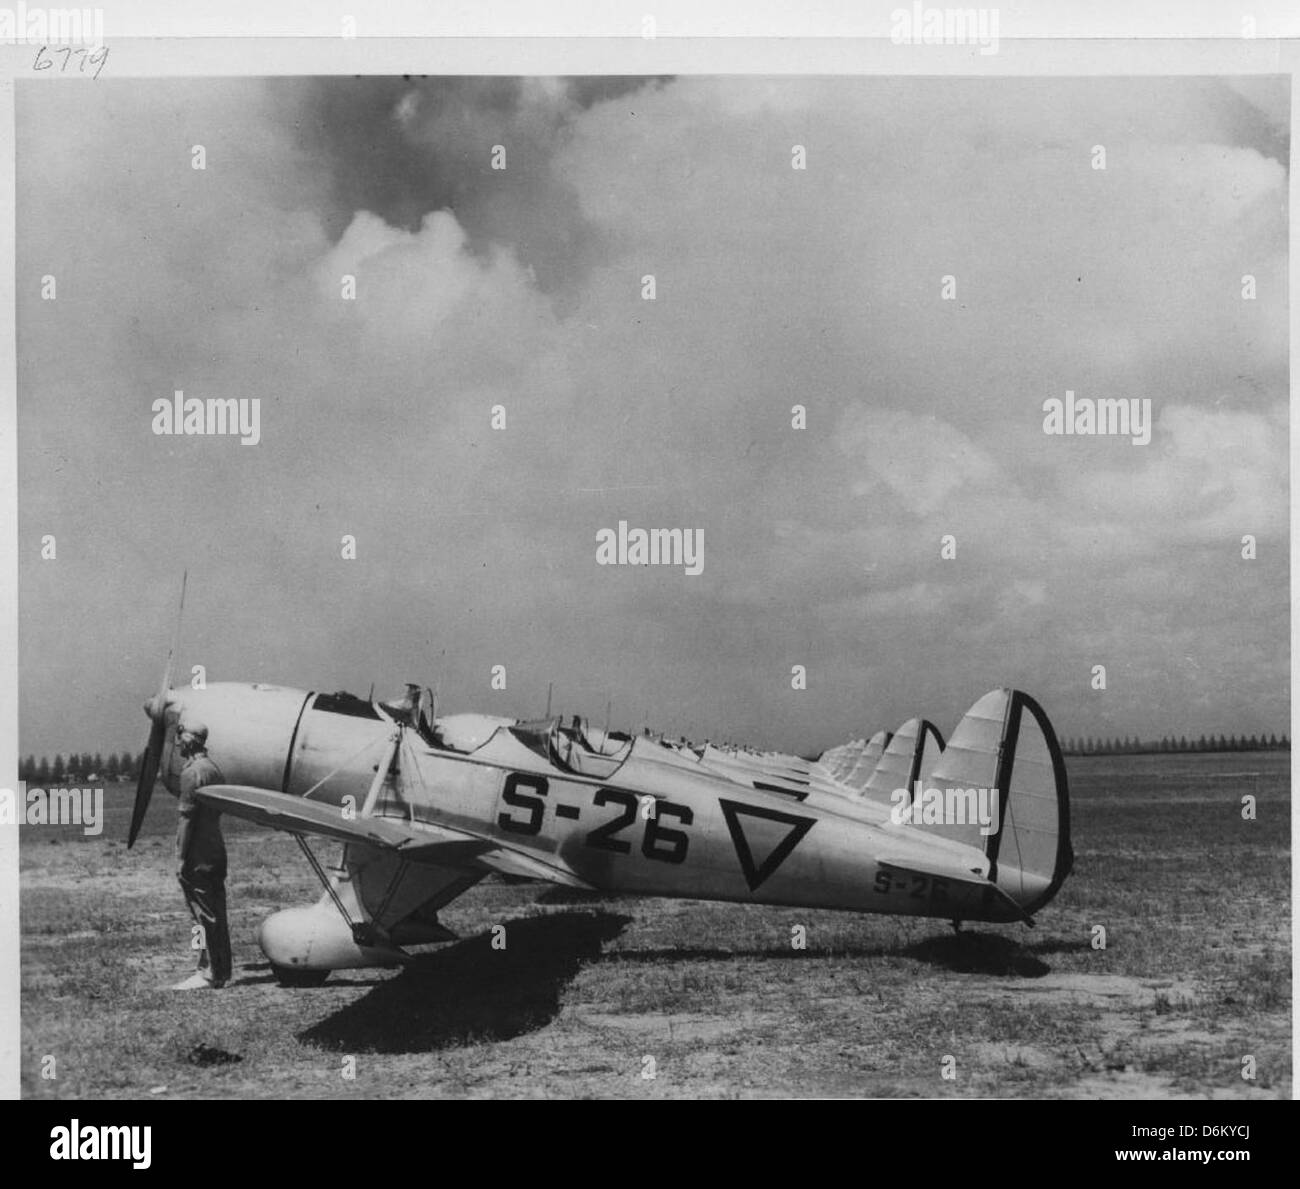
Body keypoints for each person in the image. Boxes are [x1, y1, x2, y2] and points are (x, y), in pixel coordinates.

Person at [172, 719, 232, 990]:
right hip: (216, 849)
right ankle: (220, 970)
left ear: (191, 740)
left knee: (201, 916)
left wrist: (181, 858)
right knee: (216, 913)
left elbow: (186, 819)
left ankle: (208, 972)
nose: (177, 742)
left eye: (180, 736)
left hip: (198, 854)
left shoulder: (191, 773)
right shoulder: (214, 770)